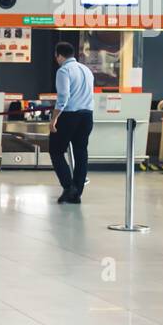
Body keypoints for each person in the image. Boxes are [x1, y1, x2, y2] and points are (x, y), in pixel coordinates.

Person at [48, 40, 95, 204]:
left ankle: (69, 187)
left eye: (56, 56)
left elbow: (63, 97)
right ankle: (77, 192)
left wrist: (54, 119)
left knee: (55, 150)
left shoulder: (64, 70)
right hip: (87, 115)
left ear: (59, 55)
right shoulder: (87, 70)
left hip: (69, 116)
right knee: (81, 152)